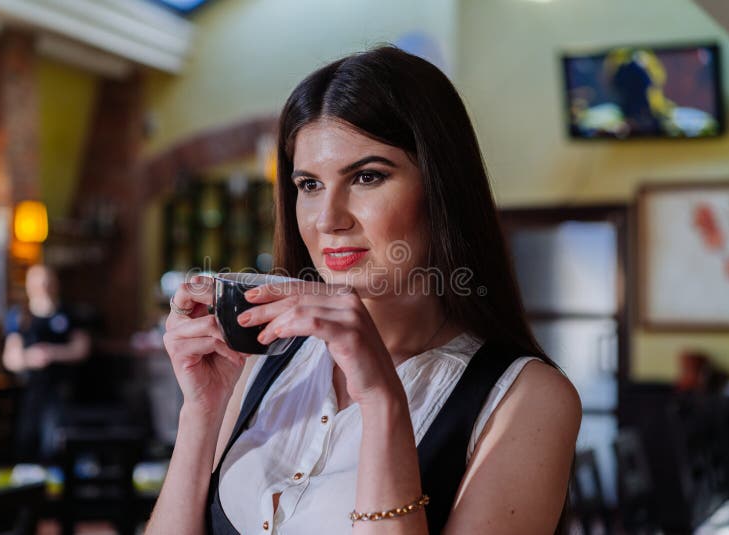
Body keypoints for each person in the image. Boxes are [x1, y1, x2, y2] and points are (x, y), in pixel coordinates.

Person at [148, 46, 581, 534]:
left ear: (441, 189)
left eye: (367, 177)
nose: (329, 220)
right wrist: (201, 414)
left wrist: (381, 401)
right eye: (309, 185)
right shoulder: (264, 361)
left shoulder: (528, 399)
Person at [2, 263, 91, 460]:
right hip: (29, 390)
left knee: (54, 444)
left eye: (47, 282)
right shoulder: (20, 316)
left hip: (61, 390)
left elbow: (81, 349)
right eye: (38, 283)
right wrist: (30, 357)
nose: (43, 287)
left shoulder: (68, 313)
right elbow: (10, 357)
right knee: (26, 441)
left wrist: (52, 353)